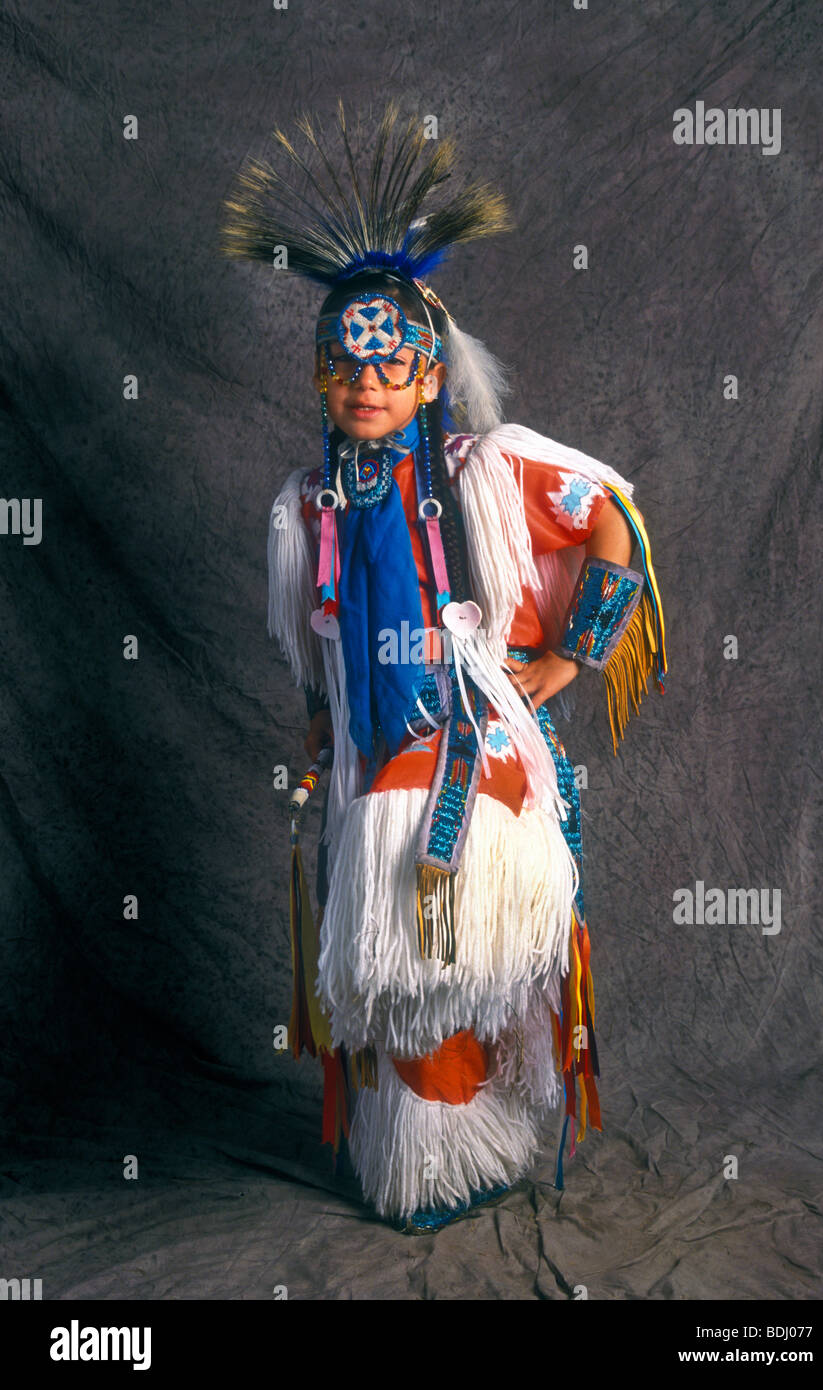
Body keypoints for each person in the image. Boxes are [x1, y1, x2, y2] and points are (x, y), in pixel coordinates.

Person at [221, 102, 667, 1233]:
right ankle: (431, 1159)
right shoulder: (303, 509)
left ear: (428, 376)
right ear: (322, 380)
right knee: (399, 985)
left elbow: (609, 515)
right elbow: (319, 645)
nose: (366, 380)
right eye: (343, 361)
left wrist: (569, 660)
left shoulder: (488, 471)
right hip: (375, 758)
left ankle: (458, 1150)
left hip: (467, 746)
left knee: (444, 962)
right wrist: (320, 731)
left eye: (390, 361)